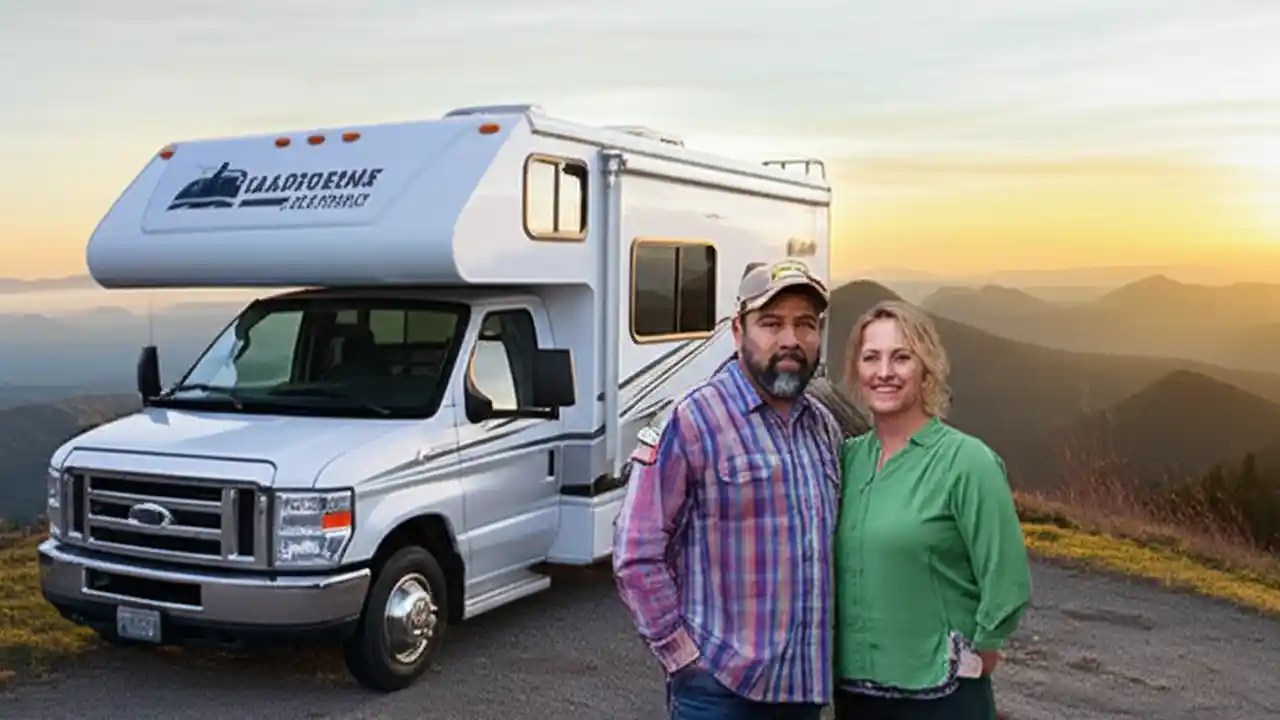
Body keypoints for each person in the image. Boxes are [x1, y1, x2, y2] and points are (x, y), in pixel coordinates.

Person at [612, 258, 845, 720]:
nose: (790, 340)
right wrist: (681, 655)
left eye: (805, 324)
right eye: (771, 323)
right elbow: (635, 551)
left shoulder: (825, 429)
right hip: (719, 694)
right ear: (738, 332)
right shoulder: (692, 419)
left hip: (802, 692)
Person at [832, 300, 1033, 720]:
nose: (884, 371)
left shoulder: (967, 462)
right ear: (856, 369)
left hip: (939, 696)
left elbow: (1007, 575)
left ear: (926, 368)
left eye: (901, 357)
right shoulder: (846, 460)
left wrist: (983, 647)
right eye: (872, 358)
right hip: (854, 693)